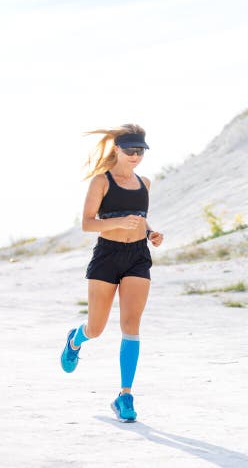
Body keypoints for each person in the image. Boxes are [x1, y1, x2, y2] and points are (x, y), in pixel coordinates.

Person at [60, 124, 163, 423]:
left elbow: (141, 221)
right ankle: (75, 340)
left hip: (138, 258)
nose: (135, 156)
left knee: (131, 325)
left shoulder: (145, 182)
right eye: (130, 150)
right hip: (107, 256)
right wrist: (120, 222)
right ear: (116, 149)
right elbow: (88, 224)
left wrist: (152, 232)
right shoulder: (101, 182)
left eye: (140, 151)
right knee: (96, 327)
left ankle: (124, 396)